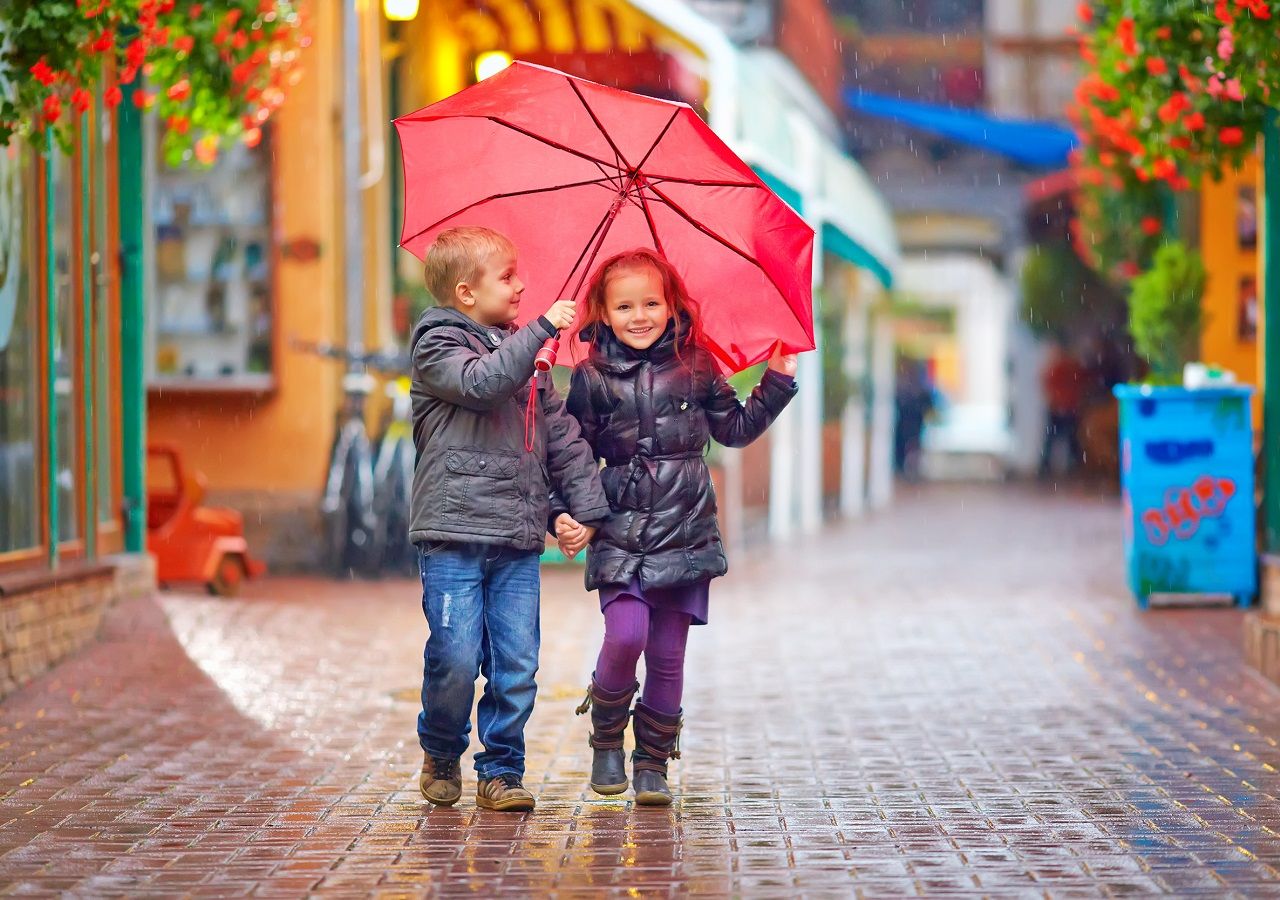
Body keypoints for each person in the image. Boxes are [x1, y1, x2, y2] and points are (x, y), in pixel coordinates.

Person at [553, 248, 798, 806]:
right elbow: (570, 453)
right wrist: (566, 512)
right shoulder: (590, 377)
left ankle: (652, 763)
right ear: (602, 312)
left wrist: (777, 381)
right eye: (623, 306)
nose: (639, 316)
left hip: (686, 527)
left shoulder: (698, 364)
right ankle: (607, 740)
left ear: (672, 307)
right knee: (626, 635)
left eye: (651, 303)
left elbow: (734, 429)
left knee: (667, 655)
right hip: (619, 524)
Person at [409, 226, 610, 812]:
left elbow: (561, 440)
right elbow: (483, 382)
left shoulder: (529, 359)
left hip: (516, 536)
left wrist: (582, 512)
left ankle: (501, 769)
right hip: (454, 533)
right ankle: (441, 748)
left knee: (516, 663)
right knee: (455, 655)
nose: (521, 286)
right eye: (508, 276)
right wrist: (541, 330)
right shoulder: (437, 343)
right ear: (466, 293)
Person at [1039, 340, 1086, 480]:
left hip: (1065, 408)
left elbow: (1047, 383)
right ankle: (1070, 467)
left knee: (1066, 440)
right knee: (1064, 440)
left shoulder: (1067, 368)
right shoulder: (1067, 368)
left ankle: (1070, 467)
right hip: (1063, 408)